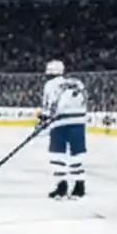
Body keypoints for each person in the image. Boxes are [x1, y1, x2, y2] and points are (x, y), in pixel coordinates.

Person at [39, 60, 88, 199]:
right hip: (79, 122)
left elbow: (49, 106)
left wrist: (44, 119)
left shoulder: (50, 85)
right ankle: (79, 186)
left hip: (60, 123)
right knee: (77, 154)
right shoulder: (77, 83)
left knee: (57, 154)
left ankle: (62, 186)